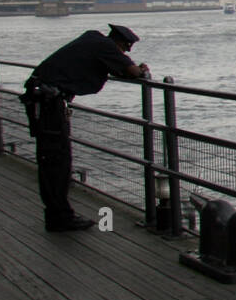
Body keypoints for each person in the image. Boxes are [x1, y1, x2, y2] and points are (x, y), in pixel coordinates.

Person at [21, 24, 150, 231]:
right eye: (126, 49)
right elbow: (133, 71)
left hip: (42, 100)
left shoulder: (92, 40)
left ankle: (57, 214)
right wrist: (142, 69)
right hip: (48, 104)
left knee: (51, 160)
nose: (125, 53)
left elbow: (113, 68)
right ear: (121, 43)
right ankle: (59, 218)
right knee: (56, 161)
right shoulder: (106, 47)